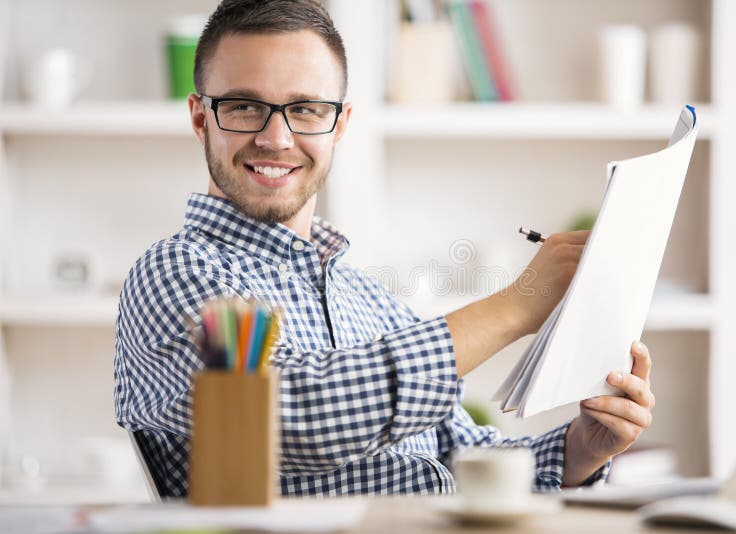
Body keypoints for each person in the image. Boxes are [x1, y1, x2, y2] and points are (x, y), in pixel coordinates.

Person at [114, 0, 655, 498]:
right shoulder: (176, 271)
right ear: (199, 117)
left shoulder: (369, 299)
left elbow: (468, 460)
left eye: (305, 109)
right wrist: (517, 306)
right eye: (243, 106)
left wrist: (581, 449)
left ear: (340, 124)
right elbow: (291, 416)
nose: (276, 138)